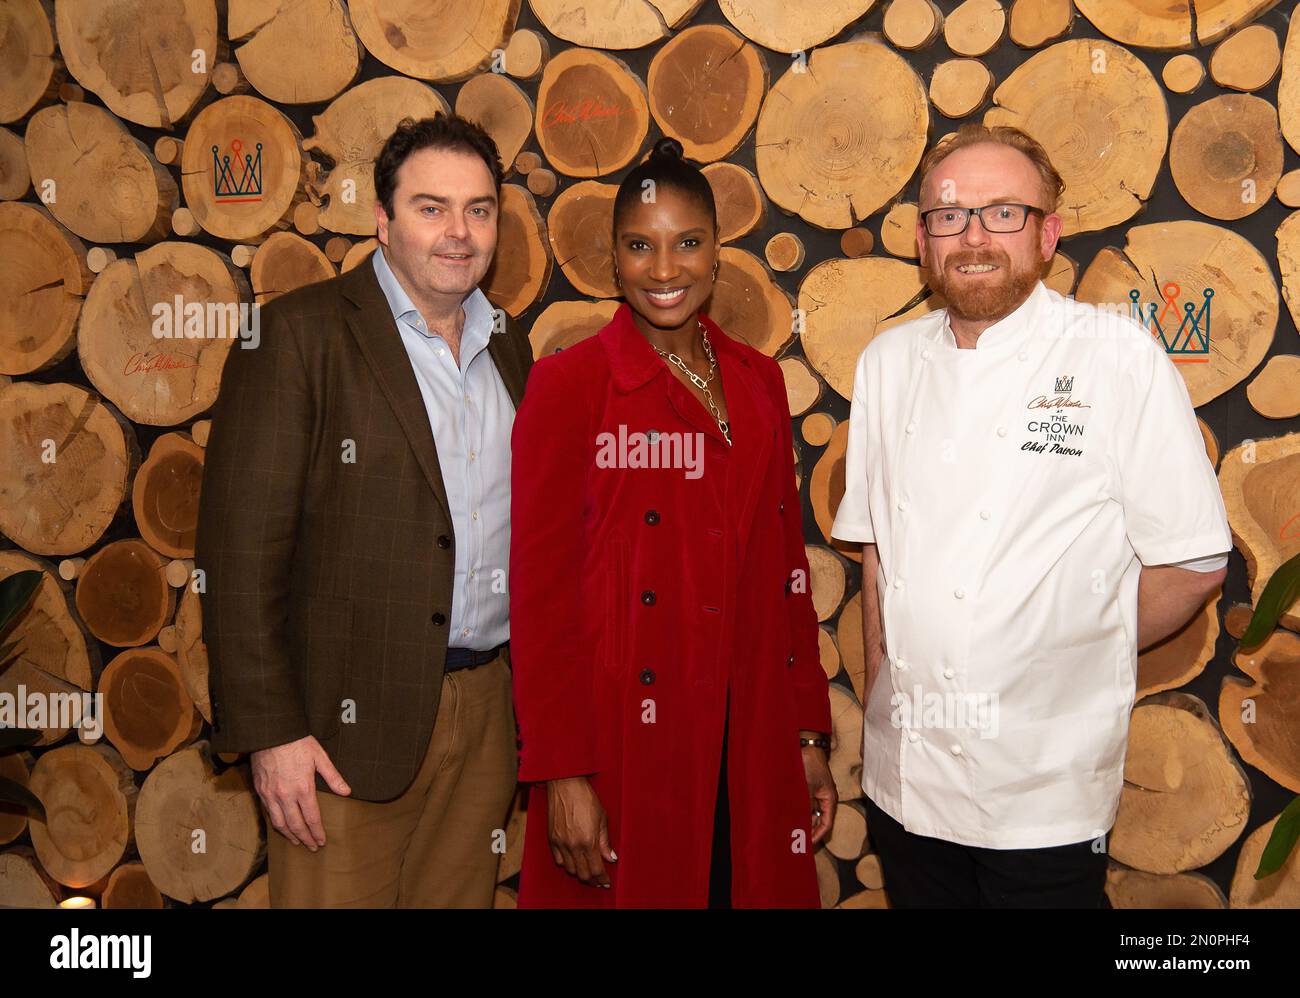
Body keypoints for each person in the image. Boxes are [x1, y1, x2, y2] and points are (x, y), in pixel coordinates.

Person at [830, 123, 1232, 908]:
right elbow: (881, 547)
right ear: (923, 240)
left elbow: (1193, 564)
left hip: (1043, 790)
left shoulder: (1118, 358)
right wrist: (881, 684)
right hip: (904, 775)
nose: (974, 236)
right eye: (949, 216)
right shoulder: (886, 363)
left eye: (1003, 213)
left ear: (1047, 234)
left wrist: (1064, 655)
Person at [195, 113, 534, 907]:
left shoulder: (508, 348)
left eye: (479, 209)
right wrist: (271, 732)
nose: (459, 232)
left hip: (483, 714)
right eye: (431, 207)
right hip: (339, 732)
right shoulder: (297, 335)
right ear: (382, 220)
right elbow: (238, 553)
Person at [509, 137, 836, 908]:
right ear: (613, 261)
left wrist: (807, 735)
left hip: (748, 736)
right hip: (625, 742)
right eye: (640, 246)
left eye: (687, 243)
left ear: (718, 253)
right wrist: (561, 774)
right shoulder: (571, 388)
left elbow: (786, 579)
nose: (665, 270)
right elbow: (541, 599)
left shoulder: (758, 381)